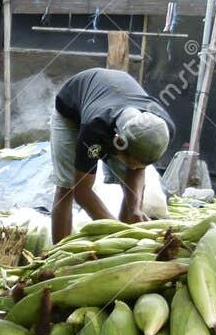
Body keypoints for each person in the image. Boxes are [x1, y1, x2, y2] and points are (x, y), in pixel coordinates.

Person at [50, 67, 174, 244]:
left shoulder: (160, 129)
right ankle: (59, 252)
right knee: (66, 186)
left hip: (114, 102)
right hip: (72, 108)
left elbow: (138, 168)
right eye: (131, 162)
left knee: (133, 199)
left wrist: (135, 209)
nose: (134, 168)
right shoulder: (94, 130)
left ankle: (126, 241)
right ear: (118, 142)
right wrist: (116, 230)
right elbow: (82, 192)